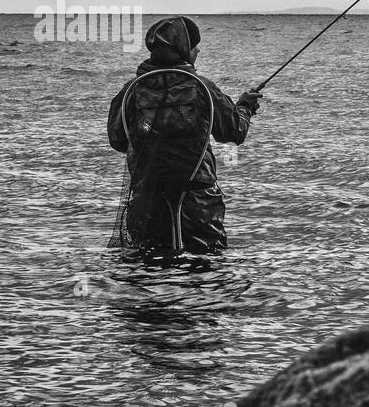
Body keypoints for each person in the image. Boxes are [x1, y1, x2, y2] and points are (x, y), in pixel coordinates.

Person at [107, 16, 261, 254]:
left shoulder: (131, 90)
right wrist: (244, 108)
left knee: (148, 276)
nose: (198, 50)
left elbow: (117, 140)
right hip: (198, 206)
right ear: (184, 49)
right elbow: (234, 132)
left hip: (146, 204)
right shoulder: (203, 88)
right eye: (194, 45)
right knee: (203, 275)